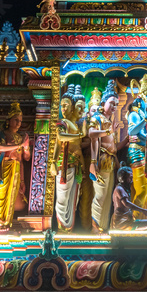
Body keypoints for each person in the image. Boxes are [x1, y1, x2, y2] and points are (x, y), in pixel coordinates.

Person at [0, 103, 30, 233]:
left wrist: (26, 147)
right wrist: (19, 145)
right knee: (1, 196)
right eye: (16, 120)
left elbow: (25, 159)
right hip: (4, 166)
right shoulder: (3, 134)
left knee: (12, 196)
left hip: (16, 168)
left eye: (20, 121)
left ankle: (7, 224)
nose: (18, 123)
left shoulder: (20, 137)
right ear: (9, 120)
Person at [52, 85, 85, 232]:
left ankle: (68, 228)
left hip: (75, 165)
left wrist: (84, 166)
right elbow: (59, 139)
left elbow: (78, 147)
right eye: (62, 105)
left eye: (66, 105)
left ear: (72, 107)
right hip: (64, 165)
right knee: (62, 198)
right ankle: (61, 227)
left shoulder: (75, 124)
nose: (63, 108)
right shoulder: (62, 122)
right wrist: (53, 161)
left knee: (74, 198)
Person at [88, 80, 120, 232]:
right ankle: (95, 228)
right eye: (111, 103)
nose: (114, 107)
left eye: (116, 104)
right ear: (103, 103)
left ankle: (103, 227)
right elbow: (92, 135)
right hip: (101, 160)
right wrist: (93, 162)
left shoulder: (109, 120)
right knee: (100, 195)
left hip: (110, 161)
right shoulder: (98, 118)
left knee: (108, 197)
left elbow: (113, 146)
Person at [126, 75, 147, 216]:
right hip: (136, 153)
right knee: (142, 190)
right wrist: (145, 119)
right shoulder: (135, 114)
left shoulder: (144, 117)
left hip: (145, 153)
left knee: (145, 189)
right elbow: (132, 131)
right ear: (141, 99)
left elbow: (144, 137)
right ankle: (135, 220)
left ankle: (142, 219)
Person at [110, 166, 147, 231]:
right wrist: (142, 210)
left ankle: (130, 229)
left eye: (132, 178)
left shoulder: (125, 189)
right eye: (130, 178)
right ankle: (126, 229)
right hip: (121, 223)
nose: (131, 181)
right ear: (122, 178)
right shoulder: (119, 189)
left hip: (128, 220)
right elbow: (126, 203)